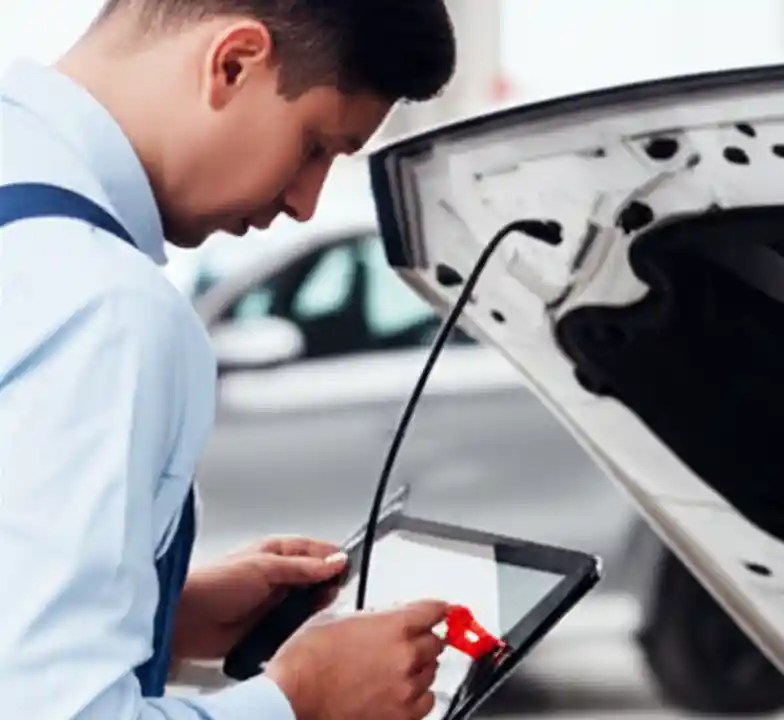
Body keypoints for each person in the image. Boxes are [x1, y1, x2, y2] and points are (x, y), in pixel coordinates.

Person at [0, 1, 457, 718]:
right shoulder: (108, 308)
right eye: (317, 147)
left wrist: (159, 615)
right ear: (234, 63)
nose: (306, 204)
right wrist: (299, 702)